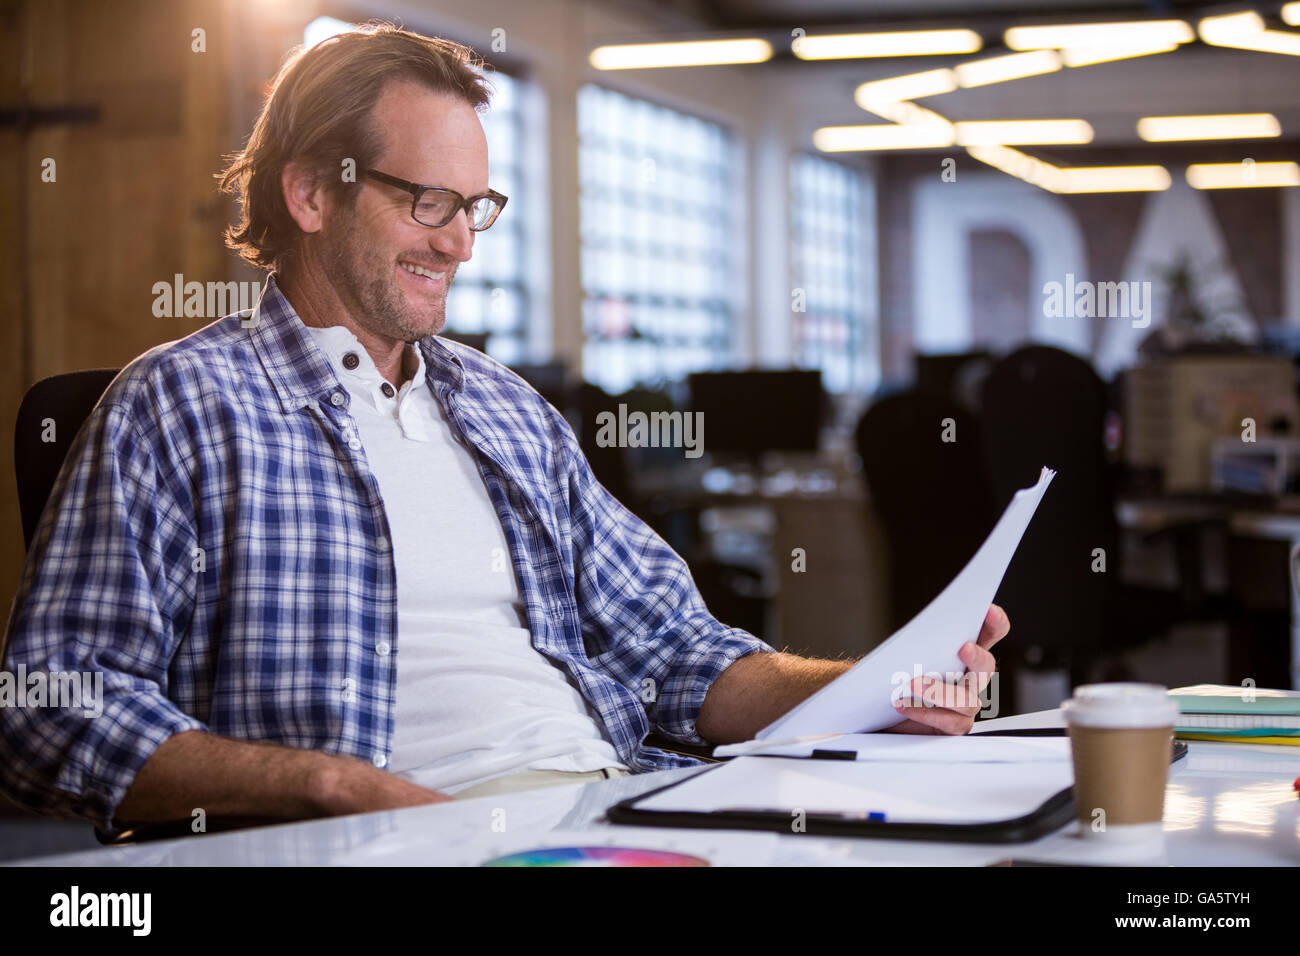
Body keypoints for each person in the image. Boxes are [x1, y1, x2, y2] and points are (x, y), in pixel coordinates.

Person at [0, 25, 1008, 837]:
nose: (455, 241)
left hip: (616, 808)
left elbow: (683, 654)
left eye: (474, 205)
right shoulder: (179, 405)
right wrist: (328, 786)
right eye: (426, 199)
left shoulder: (506, 408)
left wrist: (885, 685)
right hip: (383, 840)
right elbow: (48, 708)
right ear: (311, 191)